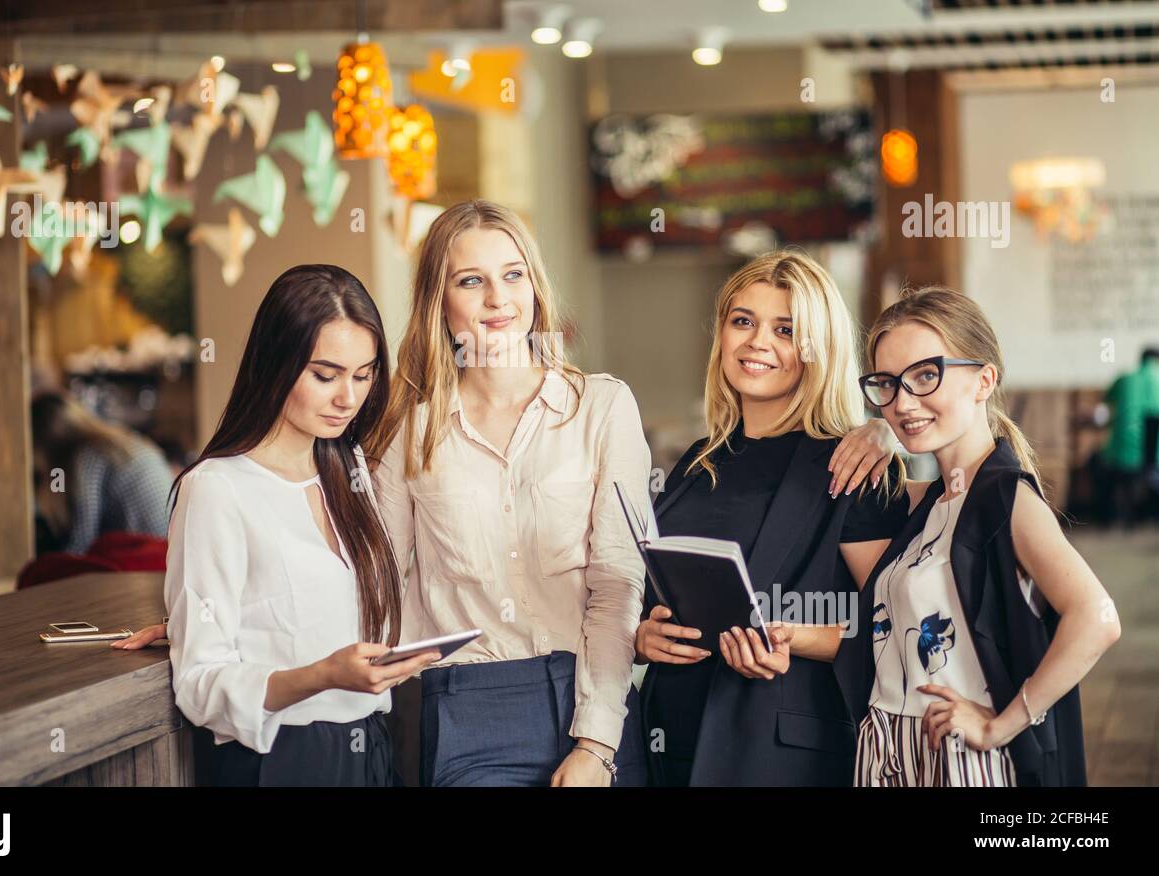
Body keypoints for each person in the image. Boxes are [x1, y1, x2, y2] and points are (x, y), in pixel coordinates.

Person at [368, 199, 651, 787]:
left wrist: (596, 745)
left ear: (534, 287)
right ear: (439, 304)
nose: (498, 298)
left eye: (513, 275)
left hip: (593, 699)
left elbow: (618, 580)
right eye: (472, 281)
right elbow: (374, 584)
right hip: (465, 707)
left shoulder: (601, 407)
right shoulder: (410, 430)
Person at [124, 265, 436, 786]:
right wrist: (323, 675)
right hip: (283, 760)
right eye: (325, 374)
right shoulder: (217, 488)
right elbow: (200, 684)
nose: (348, 398)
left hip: (371, 748)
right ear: (276, 364)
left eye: (364, 375)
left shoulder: (348, 467)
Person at [635, 249, 906, 786]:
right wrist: (642, 637)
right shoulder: (698, 459)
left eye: (785, 329)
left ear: (816, 347)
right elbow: (656, 593)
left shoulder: (855, 466)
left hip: (779, 752)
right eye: (744, 321)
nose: (758, 342)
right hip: (670, 739)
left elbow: (895, 627)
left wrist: (791, 638)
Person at [832, 287, 1119, 786]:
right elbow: (850, 507)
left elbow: (1098, 618)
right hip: (890, 751)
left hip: (962, 757)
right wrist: (878, 433)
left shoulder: (1005, 497)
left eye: (925, 376)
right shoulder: (929, 501)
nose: (904, 402)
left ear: (984, 379)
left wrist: (1001, 724)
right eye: (888, 385)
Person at [31, 391, 173, 555]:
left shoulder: (88, 456)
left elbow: (82, 539)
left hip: (144, 560)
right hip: (165, 553)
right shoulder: (119, 442)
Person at [1094, 346, 1159, 526]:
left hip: (1118, 452)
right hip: (1150, 456)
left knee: (1101, 466)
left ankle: (1109, 519)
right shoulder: (1157, 379)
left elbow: (1104, 405)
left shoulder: (1124, 379)